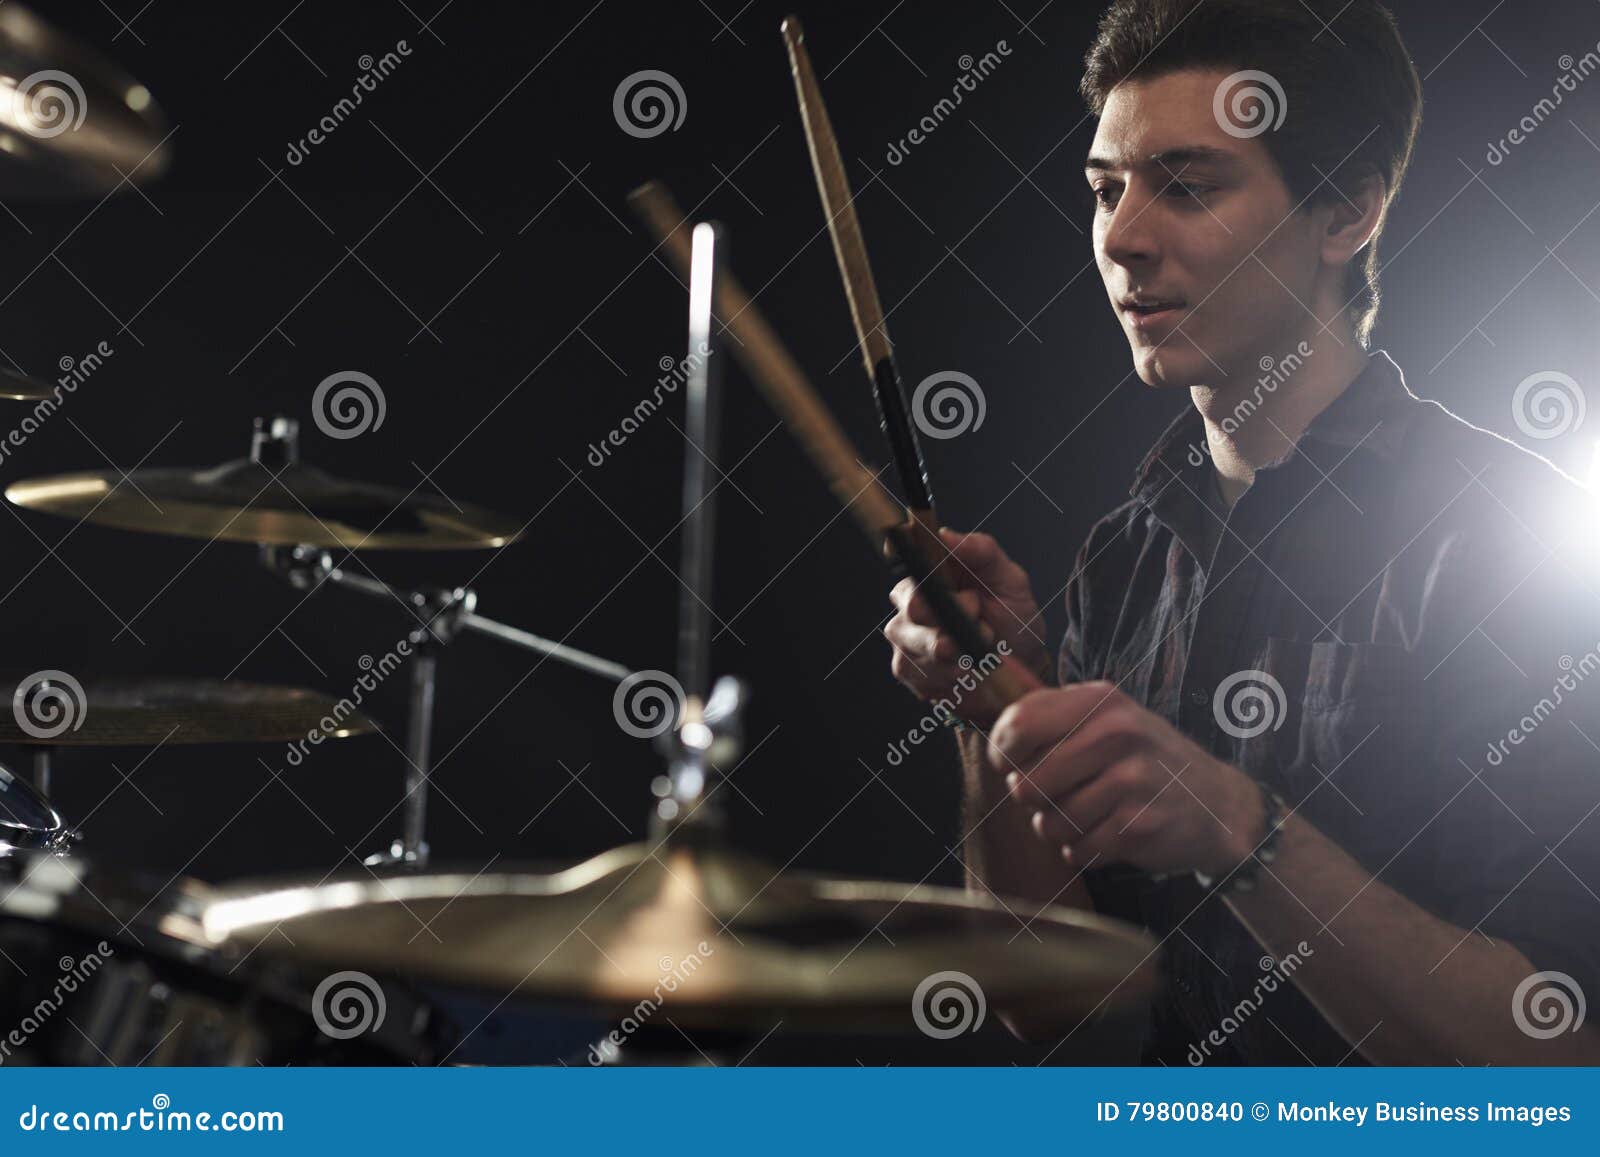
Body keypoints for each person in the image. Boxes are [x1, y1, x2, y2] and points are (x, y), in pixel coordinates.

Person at [885, 0, 1600, 1064]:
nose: (1122, 236)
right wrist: (987, 695)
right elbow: (1052, 1000)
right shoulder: (1124, 555)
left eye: (1187, 185)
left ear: (1346, 209)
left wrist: (1234, 825)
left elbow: (1563, 1053)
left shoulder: (1505, 542)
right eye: (1104, 190)